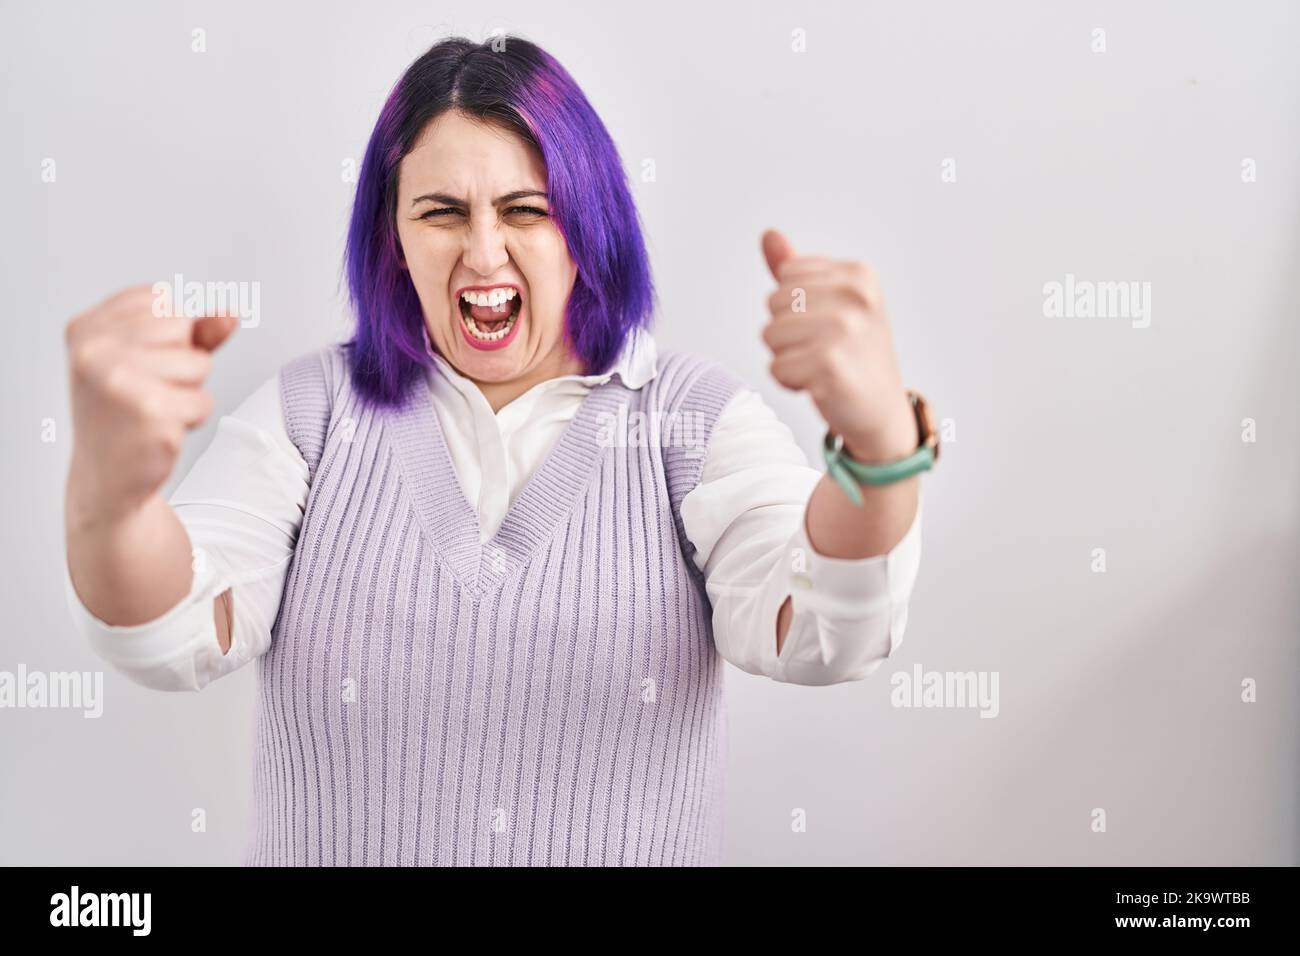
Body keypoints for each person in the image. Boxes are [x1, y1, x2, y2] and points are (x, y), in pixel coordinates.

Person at [62, 34, 938, 866]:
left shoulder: (690, 419)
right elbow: (169, 636)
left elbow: (825, 633)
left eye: (527, 210)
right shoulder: (309, 415)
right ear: (393, 241)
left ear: (588, 228)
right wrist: (113, 498)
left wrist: (877, 446)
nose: (484, 251)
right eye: (441, 212)